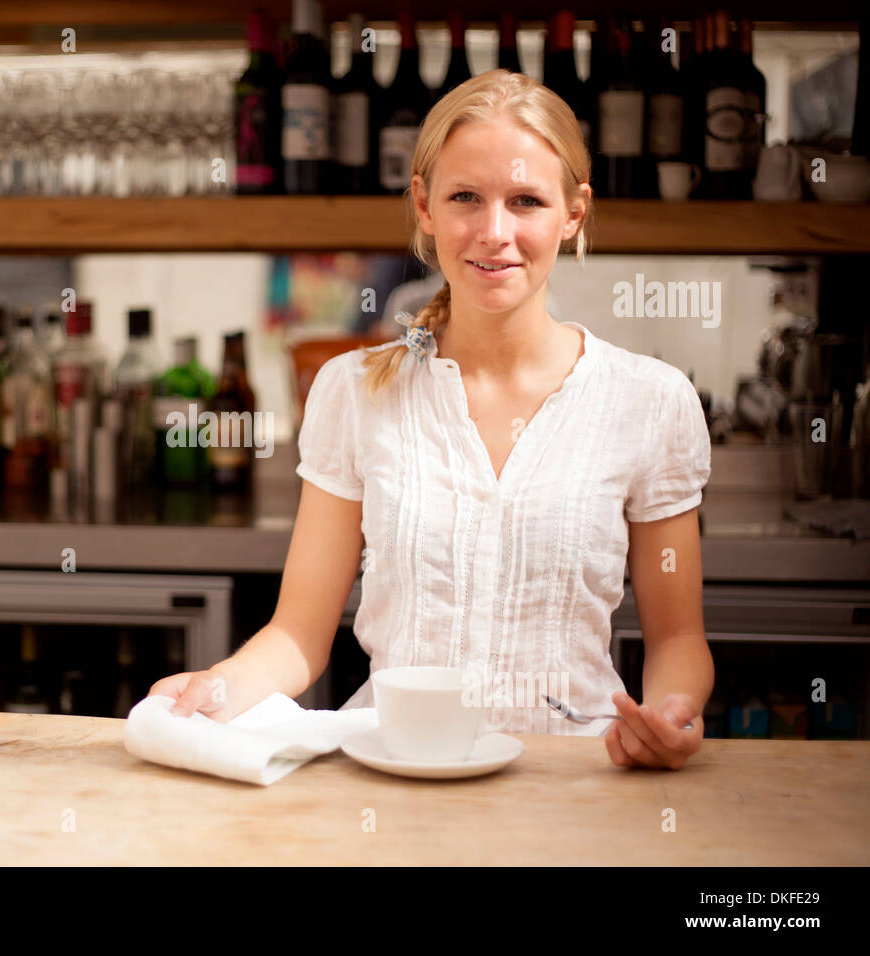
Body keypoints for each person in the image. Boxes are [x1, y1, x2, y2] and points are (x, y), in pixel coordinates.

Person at [151, 69, 713, 771]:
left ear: (573, 213)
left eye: (527, 201)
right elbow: (298, 634)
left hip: (573, 781)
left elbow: (677, 639)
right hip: (391, 777)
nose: (494, 232)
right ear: (424, 204)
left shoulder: (649, 402)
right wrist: (220, 687)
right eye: (465, 198)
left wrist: (670, 715)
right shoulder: (353, 391)